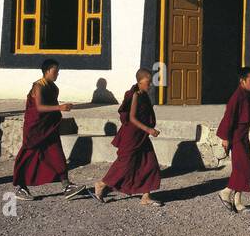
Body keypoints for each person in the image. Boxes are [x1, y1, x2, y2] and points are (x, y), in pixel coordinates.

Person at [13, 59, 87, 201]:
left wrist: (59, 109)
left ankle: (66, 185)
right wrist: (59, 107)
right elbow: (39, 107)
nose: (57, 74)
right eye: (55, 71)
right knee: (29, 156)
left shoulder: (53, 87)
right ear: (47, 71)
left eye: (58, 72)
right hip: (35, 127)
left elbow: (50, 105)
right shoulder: (38, 86)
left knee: (56, 153)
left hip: (48, 126)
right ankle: (21, 187)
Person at [94, 69, 163, 207]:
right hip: (132, 135)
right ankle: (101, 184)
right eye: (147, 83)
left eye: (150, 83)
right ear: (139, 82)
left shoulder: (144, 94)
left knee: (150, 163)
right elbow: (132, 118)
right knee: (125, 165)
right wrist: (149, 129)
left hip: (141, 136)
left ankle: (146, 196)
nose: (149, 86)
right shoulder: (135, 95)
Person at [217, 66, 250, 213]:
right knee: (244, 167)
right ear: (242, 81)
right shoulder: (237, 96)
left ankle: (238, 202)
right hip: (235, 136)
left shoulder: (248, 96)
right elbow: (229, 117)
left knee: (244, 168)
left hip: (243, 135)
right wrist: (225, 138)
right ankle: (226, 192)